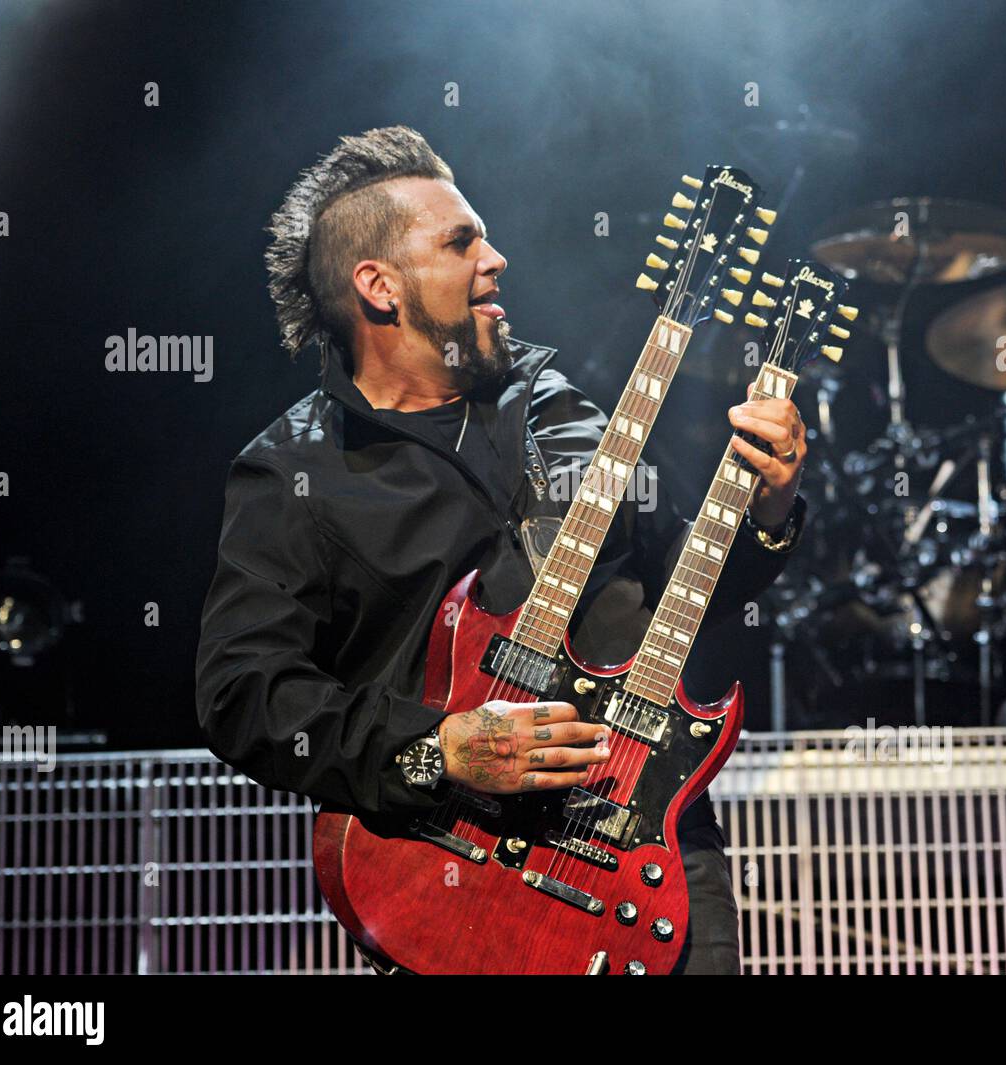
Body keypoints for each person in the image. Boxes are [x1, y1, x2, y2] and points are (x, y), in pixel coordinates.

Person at [194, 126, 810, 975]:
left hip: (637, 841)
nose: (497, 258)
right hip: (455, 878)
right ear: (379, 286)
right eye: (461, 241)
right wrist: (439, 746)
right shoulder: (293, 470)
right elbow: (245, 695)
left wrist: (768, 504)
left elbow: (673, 588)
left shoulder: (557, 406)